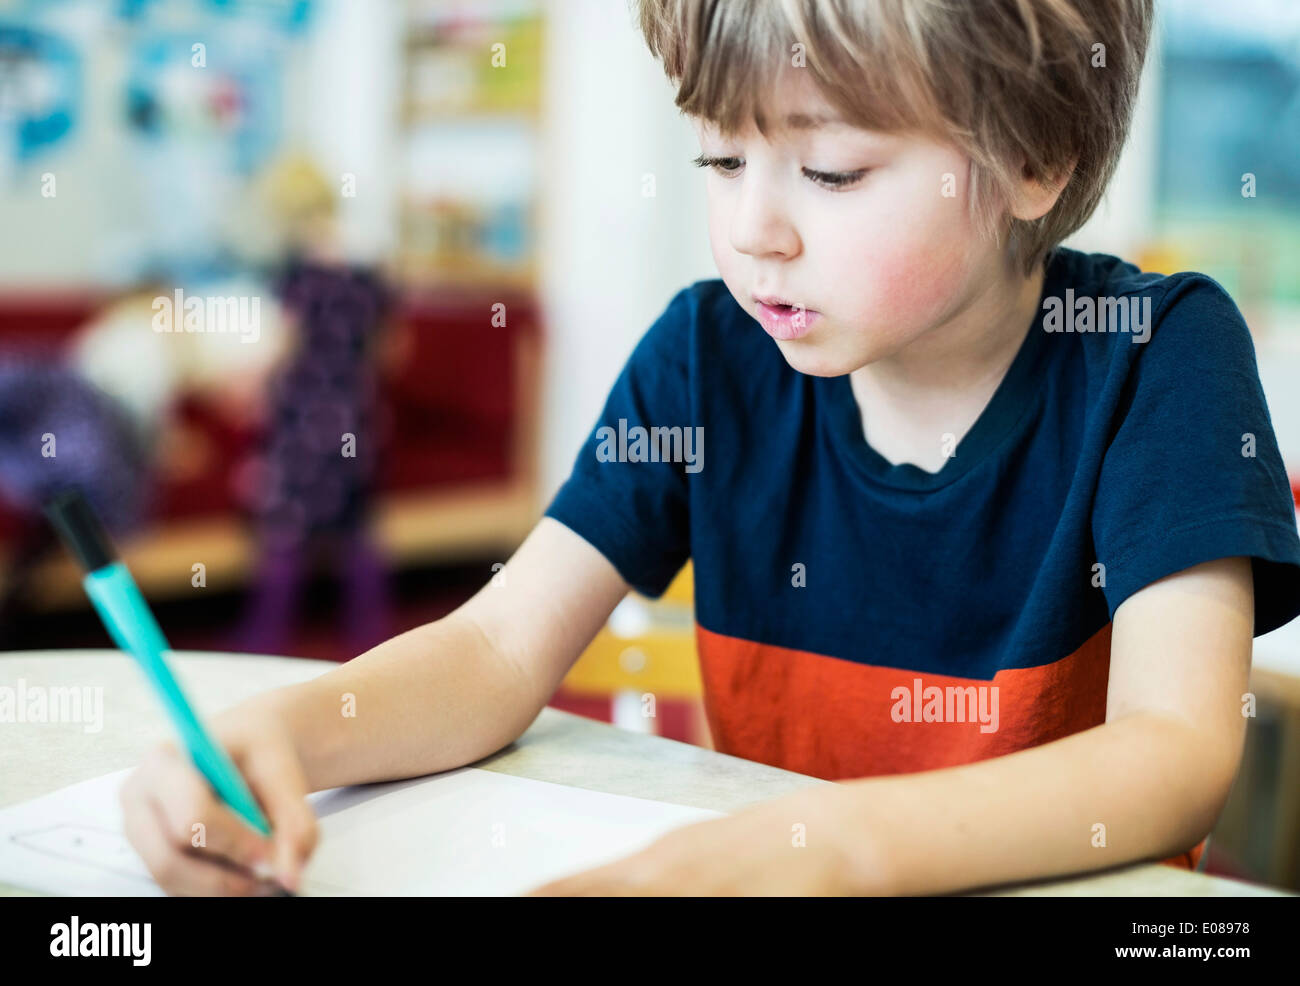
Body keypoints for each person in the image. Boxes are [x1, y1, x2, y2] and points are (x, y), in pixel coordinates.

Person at [120, 0, 1300, 895]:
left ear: (1030, 161)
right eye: (720, 159)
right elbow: (493, 647)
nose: (751, 229)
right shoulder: (705, 354)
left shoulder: (1155, 356)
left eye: (829, 169)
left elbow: (1174, 749)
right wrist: (283, 731)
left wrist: (826, 848)